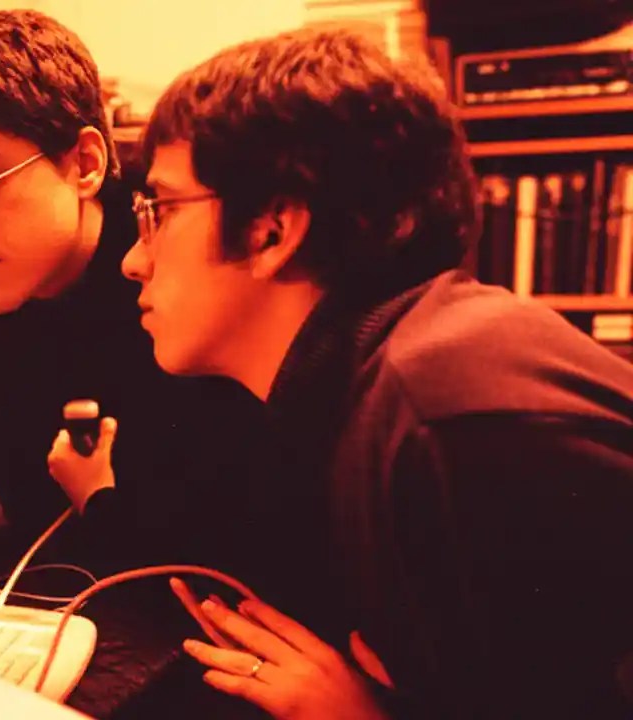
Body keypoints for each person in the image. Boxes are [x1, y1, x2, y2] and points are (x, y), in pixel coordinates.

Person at [49, 27, 633, 718]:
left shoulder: (442, 417)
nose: (133, 260)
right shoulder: (372, 383)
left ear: (273, 229)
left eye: (159, 211)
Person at [0, 9, 271, 578]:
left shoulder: (178, 258)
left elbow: (228, 528)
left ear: (85, 163)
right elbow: (25, 498)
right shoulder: (0, 273)